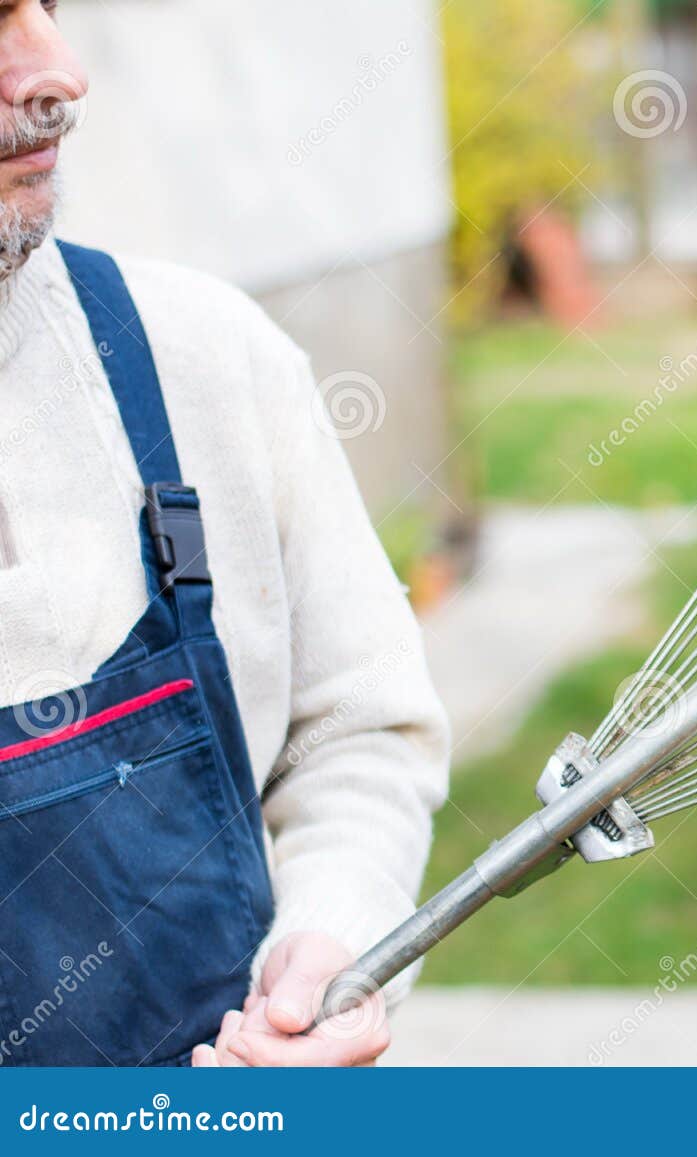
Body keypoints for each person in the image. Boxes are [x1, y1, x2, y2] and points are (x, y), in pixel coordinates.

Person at [0, 0, 448, 1066]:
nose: (60, 71)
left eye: (46, 6)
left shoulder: (205, 358)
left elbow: (359, 733)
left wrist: (330, 942)